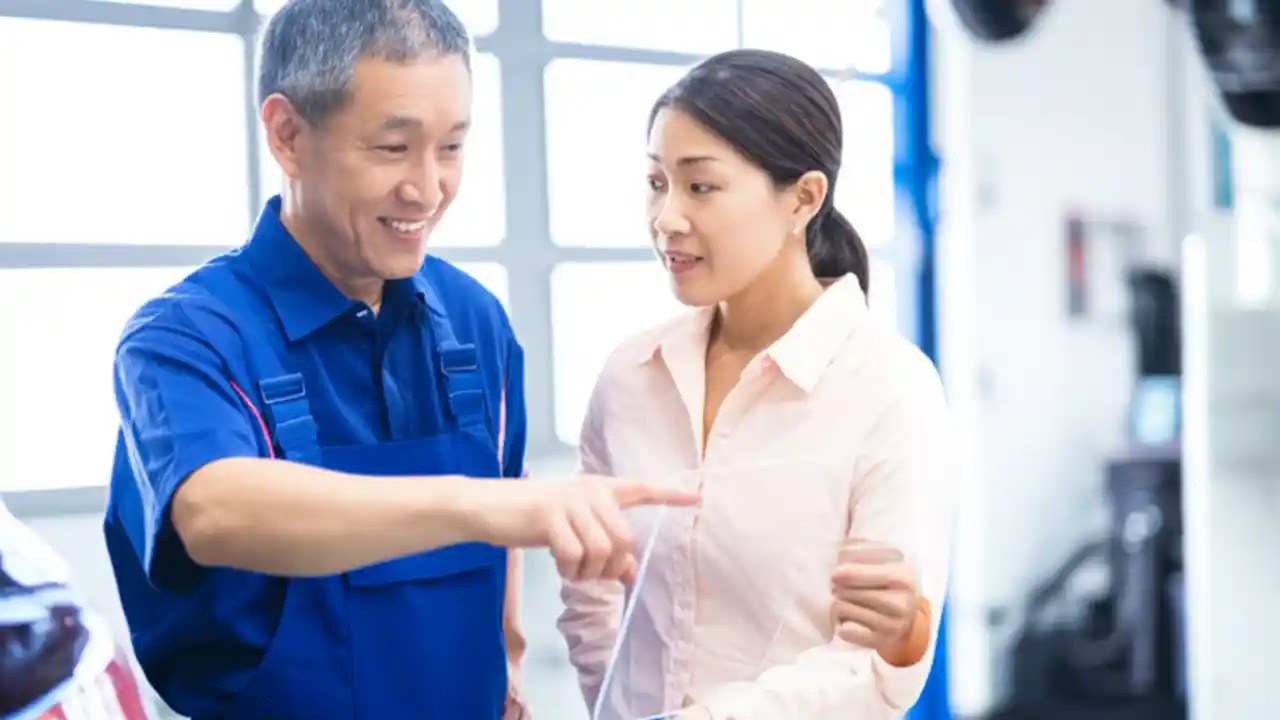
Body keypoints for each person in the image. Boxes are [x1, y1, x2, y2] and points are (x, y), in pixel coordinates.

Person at [102, 2, 696, 719]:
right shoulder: (186, 337)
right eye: (392, 148)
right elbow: (214, 509)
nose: (427, 187)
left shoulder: (477, 323)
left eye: (451, 147)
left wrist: (508, 673)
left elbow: (501, 535)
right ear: (288, 134)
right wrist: (483, 503)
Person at [557, 49, 956, 719]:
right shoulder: (631, 376)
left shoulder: (889, 387)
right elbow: (593, 592)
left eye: (700, 186)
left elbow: (877, 665)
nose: (667, 217)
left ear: (803, 197)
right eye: (657, 182)